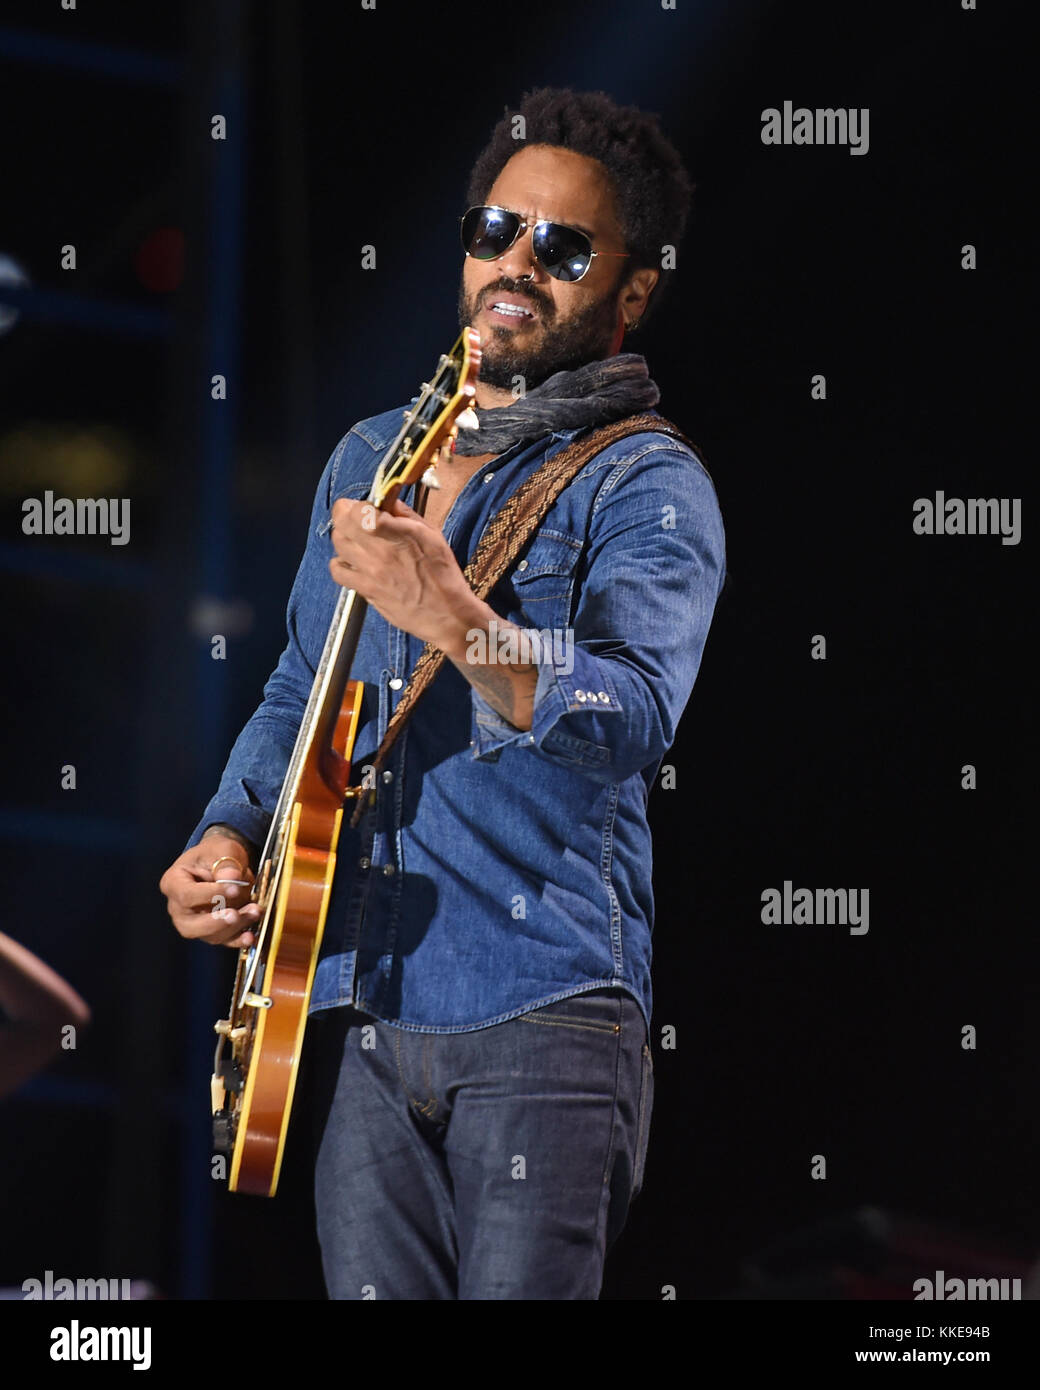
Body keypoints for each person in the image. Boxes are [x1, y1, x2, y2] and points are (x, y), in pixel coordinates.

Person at [160, 86, 726, 1300]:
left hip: (544, 1016)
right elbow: (304, 683)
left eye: (563, 248)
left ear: (630, 294)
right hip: (366, 1006)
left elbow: (631, 712)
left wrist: (459, 622)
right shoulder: (373, 454)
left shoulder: (643, 481)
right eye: (494, 230)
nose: (516, 265)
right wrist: (225, 828)